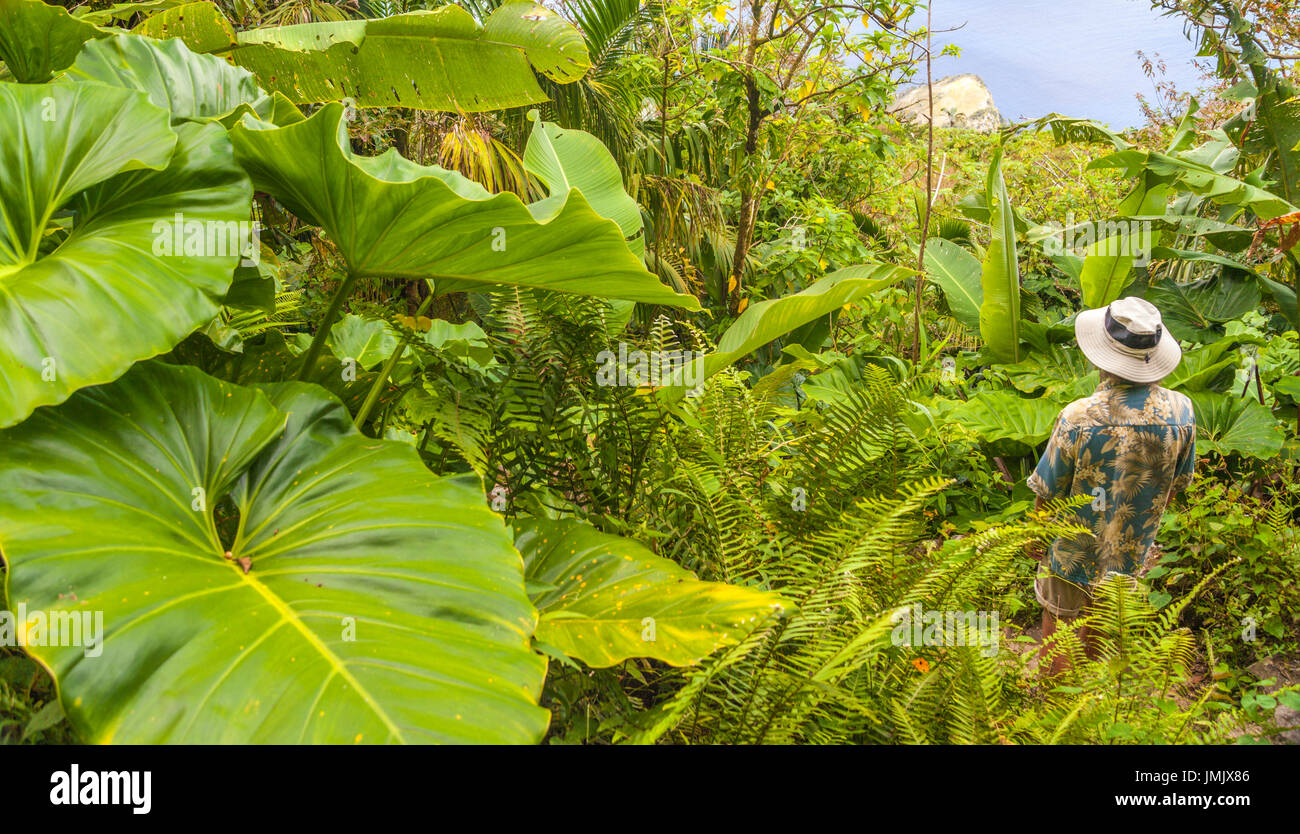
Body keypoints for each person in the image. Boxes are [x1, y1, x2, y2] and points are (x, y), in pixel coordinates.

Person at [1027, 297, 1196, 676]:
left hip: (1072, 552)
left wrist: (1033, 541)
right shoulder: (1182, 412)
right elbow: (1176, 484)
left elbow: (1047, 493)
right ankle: (1093, 711)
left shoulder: (1078, 417)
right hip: (1132, 552)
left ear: (1100, 355)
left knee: (1061, 630)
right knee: (1104, 631)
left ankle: (1056, 714)